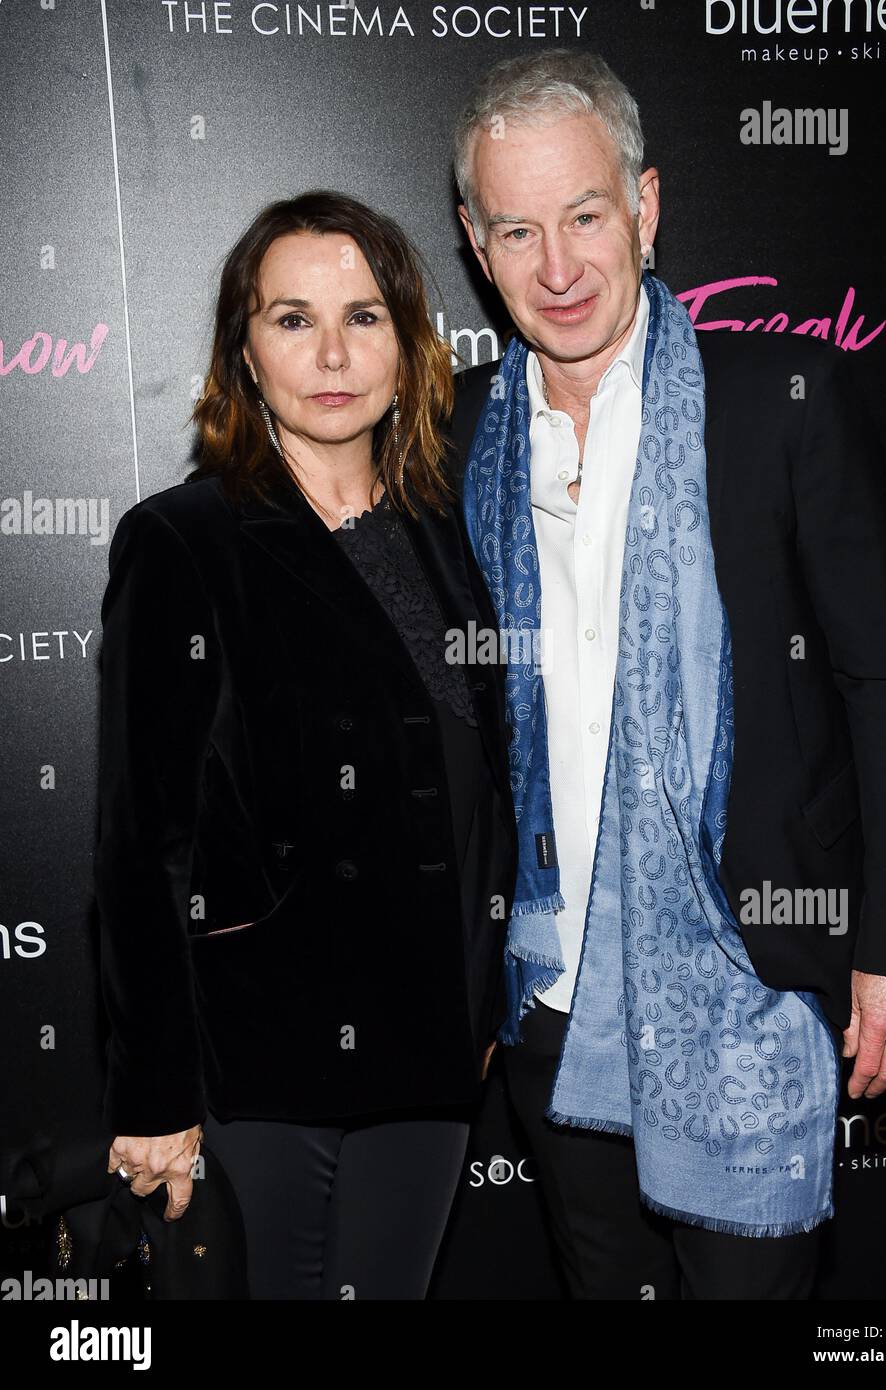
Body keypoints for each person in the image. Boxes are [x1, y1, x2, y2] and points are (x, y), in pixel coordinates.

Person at [446, 50, 886, 1300]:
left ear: (646, 207)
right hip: (550, 991)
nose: (556, 268)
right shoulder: (449, 436)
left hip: (746, 979)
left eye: (583, 217)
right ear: (473, 241)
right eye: (516, 229)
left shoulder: (778, 405)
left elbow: (883, 682)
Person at [93, 190, 517, 1299]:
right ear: (245, 349)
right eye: (292, 319)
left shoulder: (442, 526)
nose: (332, 353)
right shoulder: (184, 541)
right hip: (264, 1061)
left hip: (428, 1061)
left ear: (409, 343)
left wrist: (476, 1006)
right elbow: (143, 843)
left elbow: (476, 798)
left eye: (364, 317)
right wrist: (153, 1090)